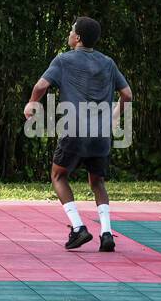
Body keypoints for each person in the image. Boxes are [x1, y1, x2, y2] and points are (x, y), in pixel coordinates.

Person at [23, 16, 133, 251]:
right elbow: (127, 94)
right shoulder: (108, 62)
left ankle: (78, 228)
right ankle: (106, 233)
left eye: (72, 30)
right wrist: (115, 115)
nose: (70, 33)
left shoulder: (64, 60)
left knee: (58, 176)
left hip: (74, 131)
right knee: (98, 182)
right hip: (101, 135)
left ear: (78, 38)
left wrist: (32, 102)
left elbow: (42, 85)